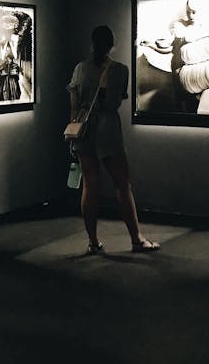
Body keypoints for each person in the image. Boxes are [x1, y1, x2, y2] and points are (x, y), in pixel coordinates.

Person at [67, 25, 159, 254]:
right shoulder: (120, 70)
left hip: (83, 128)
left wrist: (73, 133)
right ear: (112, 45)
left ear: (92, 43)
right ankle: (136, 239)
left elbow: (74, 105)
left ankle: (93, 242)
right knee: (122, 184)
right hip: (107, 127)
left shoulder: (80, 69)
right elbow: (116, 100)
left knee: (89, 185)